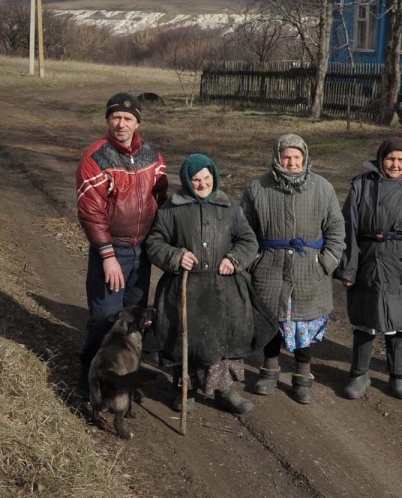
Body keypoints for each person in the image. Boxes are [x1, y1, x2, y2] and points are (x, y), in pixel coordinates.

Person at [144, 153, 276, 415]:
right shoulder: (172, 209)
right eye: (196, 179)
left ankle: (225, 390)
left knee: (224, 338)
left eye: (206, 178)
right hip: (186, 288)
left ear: (213, 177)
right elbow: (154, 242)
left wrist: (234, 258)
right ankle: (186, 390)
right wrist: (175, 256)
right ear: (186, 181)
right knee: (186, 339)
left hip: (223, 288)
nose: (202, 184)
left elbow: (248, 240)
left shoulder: (230, 208)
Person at [241, 133, 346, 405]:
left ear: (305, 158)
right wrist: (254, 261)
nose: (291, 162)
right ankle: (269, 370)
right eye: (286, 156)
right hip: (270, 267)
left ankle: (302, 377)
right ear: (277, 157)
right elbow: (244, 232)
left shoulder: (322, 187)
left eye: (296, 157)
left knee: (303, 324)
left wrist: (326, 262)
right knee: (272, 322)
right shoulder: (257, 189)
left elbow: (336, 229)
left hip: (309, 267)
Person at [76, 93, 168, 396]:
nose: (121, 123)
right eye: (115, 117)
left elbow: (161, 198)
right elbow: (91, 212)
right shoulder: (95, 158)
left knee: (135, 319)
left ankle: (125, 378)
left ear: (138, 122)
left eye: (128, 118)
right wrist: (107, 255)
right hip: (112, 251)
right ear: (107, 120)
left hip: (142, 251)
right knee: (106, 318)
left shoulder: (153, 157)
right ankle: (89, 382)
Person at [336, 137, 402, 400]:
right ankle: (359, 374)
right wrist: (348, 269)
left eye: (400, 160)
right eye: (390, 159)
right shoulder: (362, 184)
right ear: (381, 159)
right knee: (365, 320)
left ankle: (398, 376)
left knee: (400, 322)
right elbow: (348, 228)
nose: (395, 165)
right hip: (369, 260)